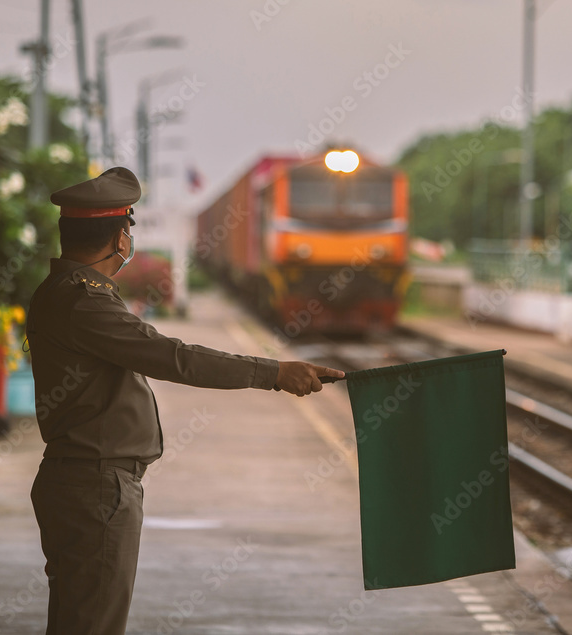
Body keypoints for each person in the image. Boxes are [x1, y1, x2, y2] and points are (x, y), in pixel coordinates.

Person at [24, 166, 343, 634]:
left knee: (81, 618)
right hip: (96, 486)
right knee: (92, 624)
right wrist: (274, 372)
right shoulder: (85, 302)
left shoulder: (66, 293)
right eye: (128, 227)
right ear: (119, 236)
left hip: (88, 481)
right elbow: (176, 359)